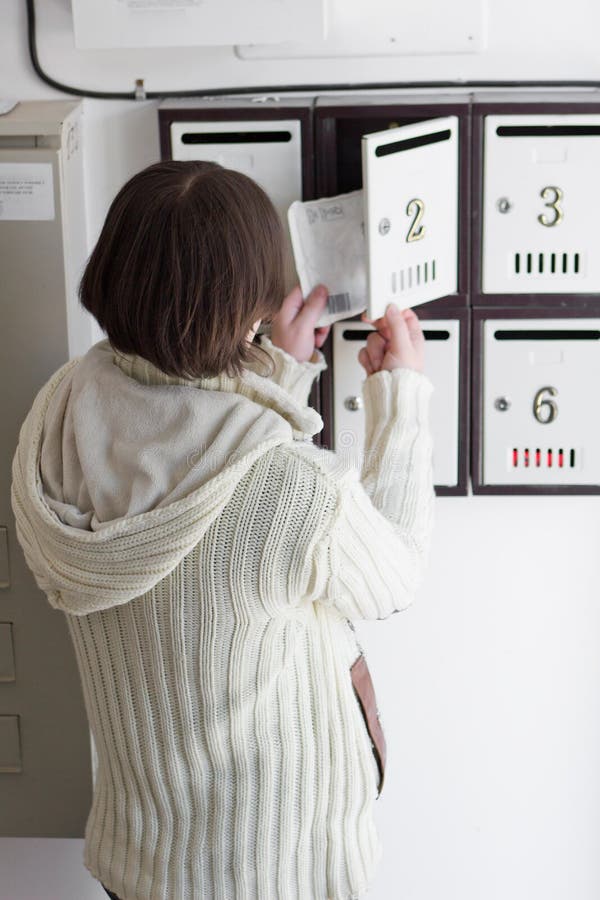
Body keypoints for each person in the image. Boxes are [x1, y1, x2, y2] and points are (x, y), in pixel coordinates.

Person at [11, 160, 434, 900]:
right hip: (274, 869)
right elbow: (394, 577)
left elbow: (177, 441)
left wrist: (278, 370)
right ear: (245, 313)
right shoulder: (290, 492)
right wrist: (398, 398)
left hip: (144, 860)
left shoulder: (60, 415)